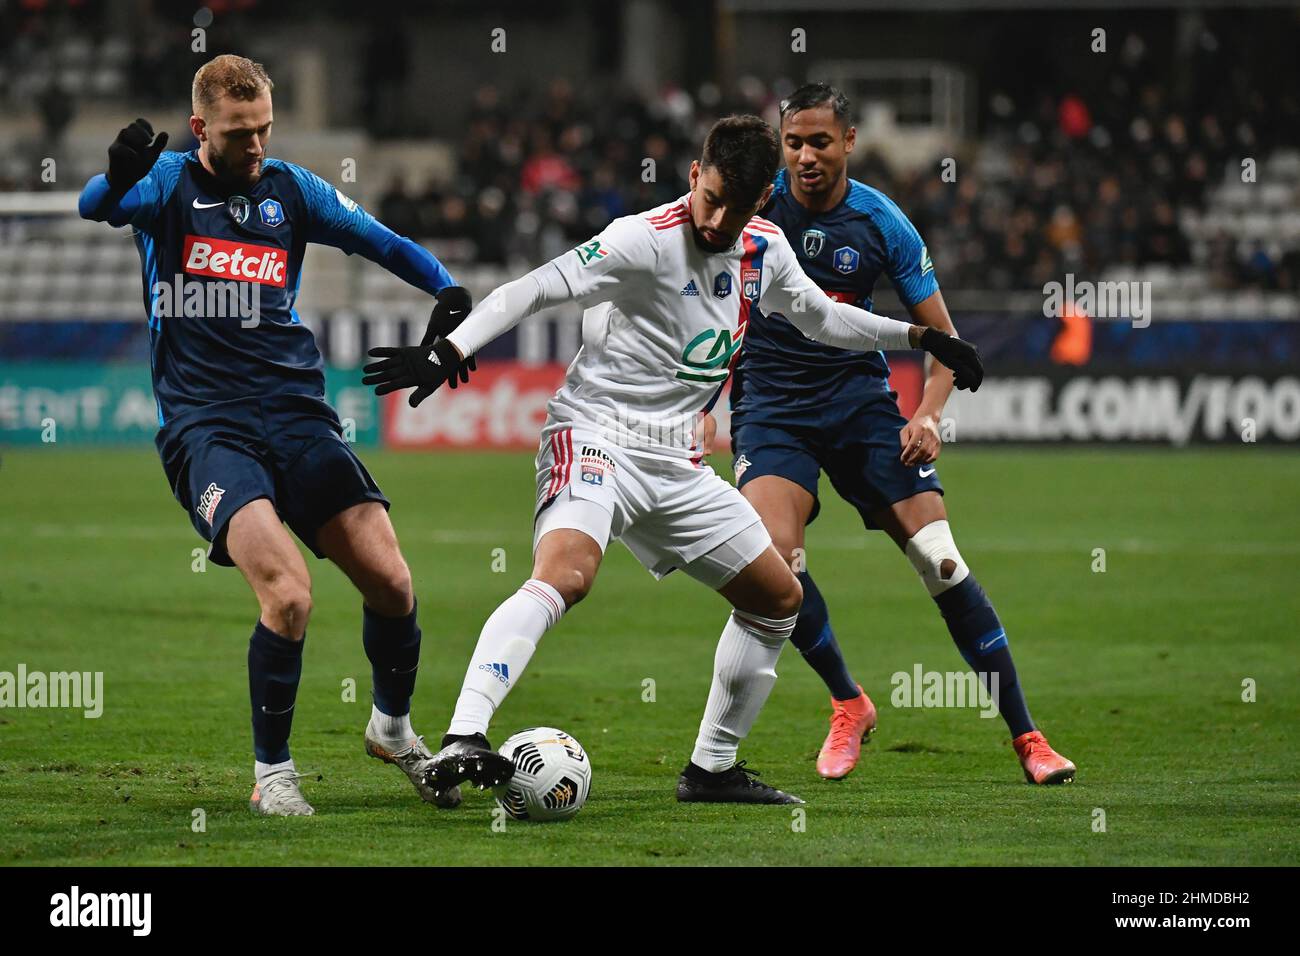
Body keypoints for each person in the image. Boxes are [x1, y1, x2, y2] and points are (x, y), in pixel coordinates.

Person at [362, 114, 983, 805]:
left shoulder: (764, 248)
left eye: (738, 207)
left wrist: (920, 335)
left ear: (761, 202)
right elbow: (532, 289)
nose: (718, 219)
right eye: (711, 197)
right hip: (594, 431)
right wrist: (448, 351)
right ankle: (465, 735)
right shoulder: (641, 240)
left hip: (677, 459)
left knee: (779, 600)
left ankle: (711, 769)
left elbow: (823, 318)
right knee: (569, 573)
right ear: (694, 175)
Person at [78, 54, 473, 816]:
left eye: (264, 128)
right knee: (289, 595)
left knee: (393, 583)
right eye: (238, 133)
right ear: (201, 129)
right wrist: (117, 178)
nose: (255, 145)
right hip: (207, 429)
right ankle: (274, 776)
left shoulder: (292, 189)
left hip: (297, 415)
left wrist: (448, 290)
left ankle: (392, 729)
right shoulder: (164, 183)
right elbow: (97, 206)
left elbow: (378, 241)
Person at [724, 83, 1075, 784]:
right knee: (774, 566)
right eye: (793, 143)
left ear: (848, 142)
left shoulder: (882, 223)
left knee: (940, 559)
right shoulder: (754, 206)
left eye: (820, 142)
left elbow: (945, 340)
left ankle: (1029, 738)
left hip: (858, 402)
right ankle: (848, 702)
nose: (805, 157)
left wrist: (926, 415)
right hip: (771, 405)